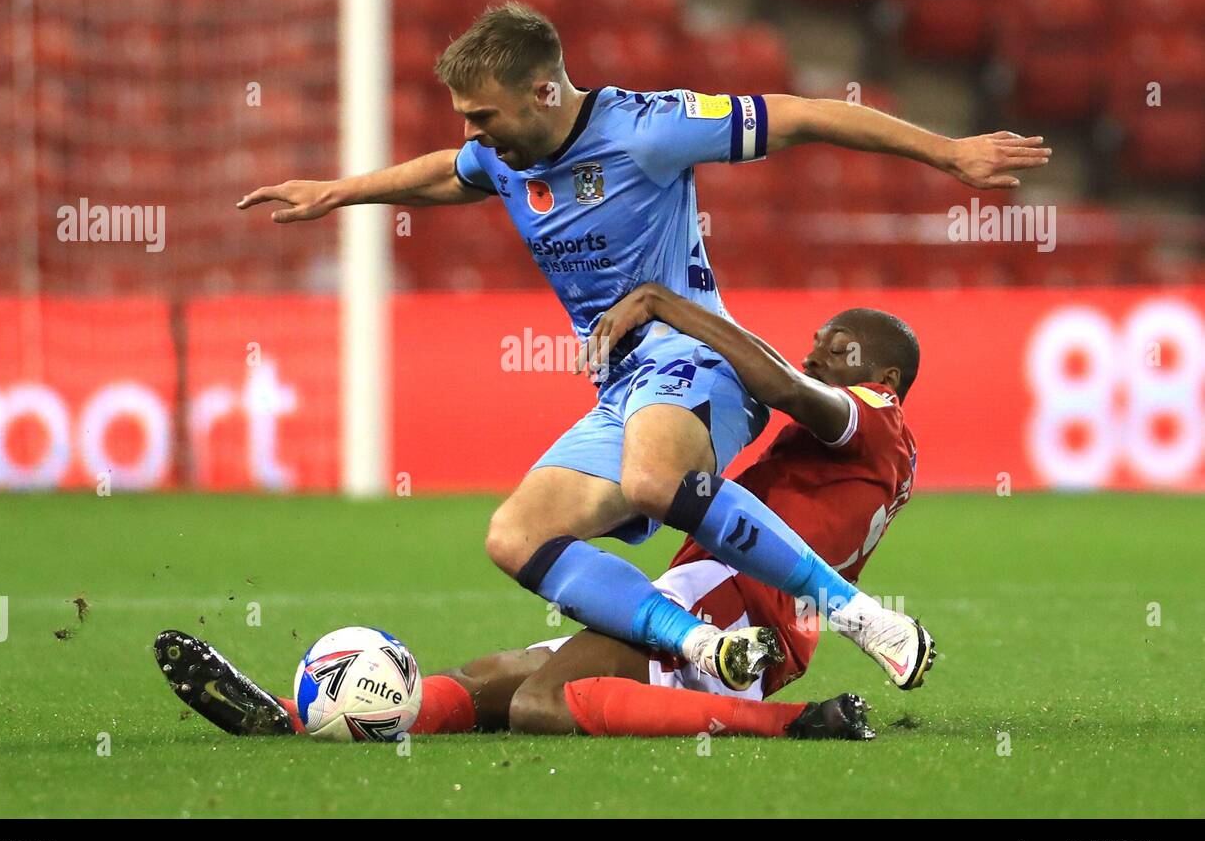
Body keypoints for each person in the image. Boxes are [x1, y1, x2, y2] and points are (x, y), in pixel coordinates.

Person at [237, 2, 1040, 687]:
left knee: (656, 479)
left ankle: (862, 616)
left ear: (545, 89)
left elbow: (801, 116)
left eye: (483, 114)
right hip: (622, 387)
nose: (475, 133)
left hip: (700, 358)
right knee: (514, 536)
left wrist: (947, 152)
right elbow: (454, 173)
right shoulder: (503, 152)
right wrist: (338, 192)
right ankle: (699, 642)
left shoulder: (647, 128)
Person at [157, 292, 923, 742]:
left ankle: (792, 723)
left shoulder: (874, 417)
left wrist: (669, 307)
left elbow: (786, 387)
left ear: (883, 378)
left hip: (729, 609)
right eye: (815, 343)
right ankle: (291, 717)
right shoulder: (878, 452)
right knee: (487, 679)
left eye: (838, 349)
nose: (815, 356)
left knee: (541, 702)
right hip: (727, 603)